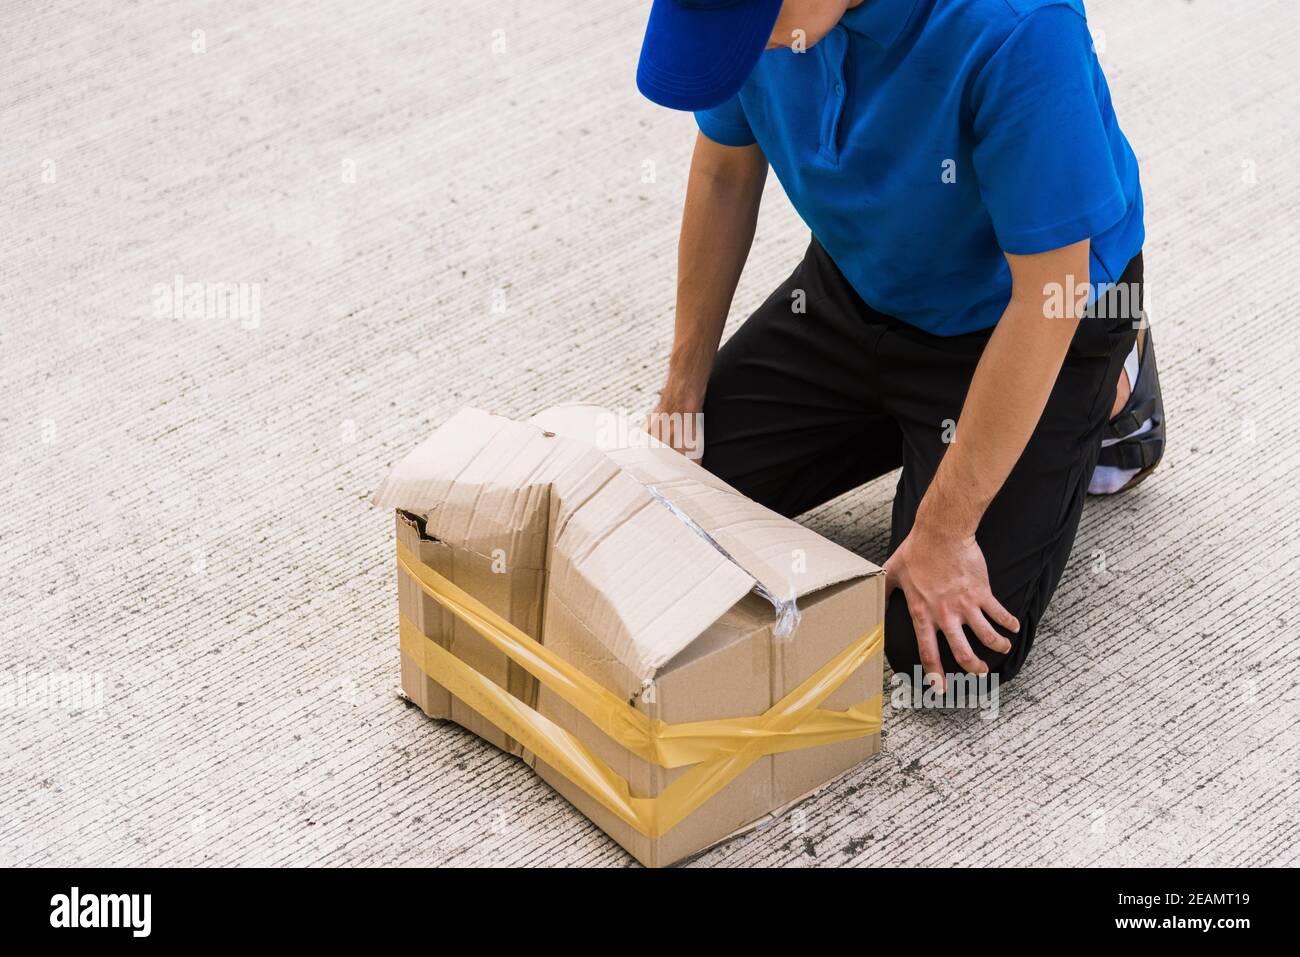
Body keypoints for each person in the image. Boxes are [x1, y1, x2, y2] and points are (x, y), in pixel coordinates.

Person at [635, 0, 1166, 690]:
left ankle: (1113, 382)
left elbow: (1048, 295)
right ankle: (912, 423)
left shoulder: (1019, 27)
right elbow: (725, 173)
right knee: (669, 506)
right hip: (860, 284)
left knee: (940, 659)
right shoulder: (766, 16)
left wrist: (945, 530)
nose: (746, 47)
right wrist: (683, 390)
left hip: (1028, 312)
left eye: (753, 25)